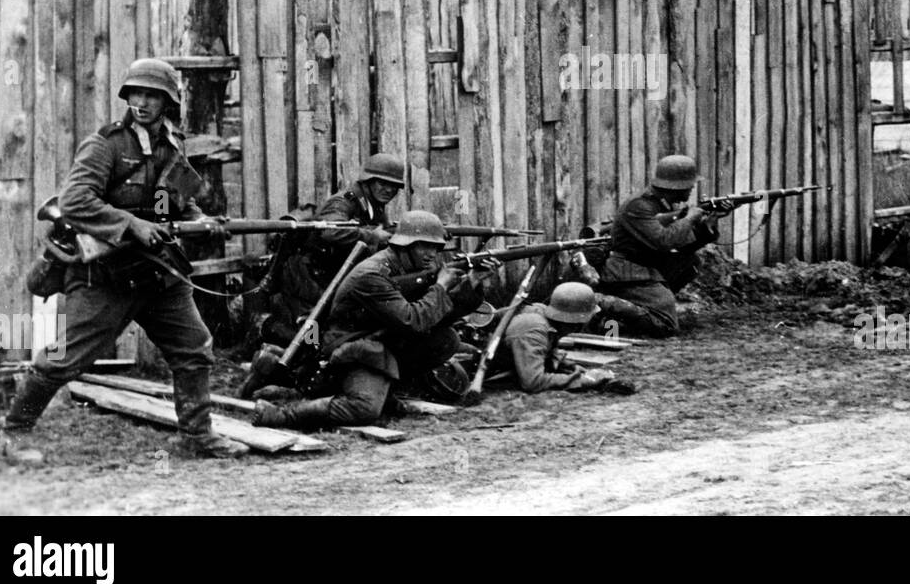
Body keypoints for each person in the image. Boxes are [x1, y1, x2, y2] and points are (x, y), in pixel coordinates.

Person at [3, 59, 249, 458]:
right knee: (65, 358)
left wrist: (200, 221)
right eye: (136, 93)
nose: (142, 103)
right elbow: (75, 202)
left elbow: (166, 204)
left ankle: (196, 436)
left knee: (194, 348)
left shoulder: (171, 144)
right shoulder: (106, 144)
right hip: (104, 274)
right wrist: (131, 224)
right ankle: (15, 434)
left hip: (156, 273)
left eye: (152, 95)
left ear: (167, 101)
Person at [252, 211, 482, 429]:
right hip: (349, 346)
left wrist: (472, 283)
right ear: (405, 244)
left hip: (379, 340)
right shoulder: (374, 274)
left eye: (436, 247)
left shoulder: (413, 267)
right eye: (424, 246)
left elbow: (437, 314)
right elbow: (413, 321)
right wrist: (441, 286)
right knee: (364, 409)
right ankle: (280, 414)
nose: (431, 254)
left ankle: (386, 391)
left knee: (446, 339)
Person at [263, 153, 405, 345]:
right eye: (383, 183)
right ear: (369, 180)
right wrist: (371, 236)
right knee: (310, 325)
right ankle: (270, 334)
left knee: (330, 326)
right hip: (308, 274)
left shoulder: (374, 206)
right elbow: (331, 232)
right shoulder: (345, 201)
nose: (389, 190)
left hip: (330, 274)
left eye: (394, 186)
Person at [595, 155, 730, 338]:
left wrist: (709, 223)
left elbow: (683, 246)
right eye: (689, 184)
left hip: (648, 267)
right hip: (627, 272)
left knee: (689, 262)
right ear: (677, 186)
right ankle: (604, 305)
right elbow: (664, 241)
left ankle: (647, 306)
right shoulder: (638, 205)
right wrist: (689, 218)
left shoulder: (663, 204)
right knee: (666, 326)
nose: (692, 188)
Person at [498, 282, 635, 394]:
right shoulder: (533, 329)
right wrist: (585, 380)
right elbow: (533, 382)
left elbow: (548, 354)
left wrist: (577, 369)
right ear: (576, 322)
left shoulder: (545, 318)